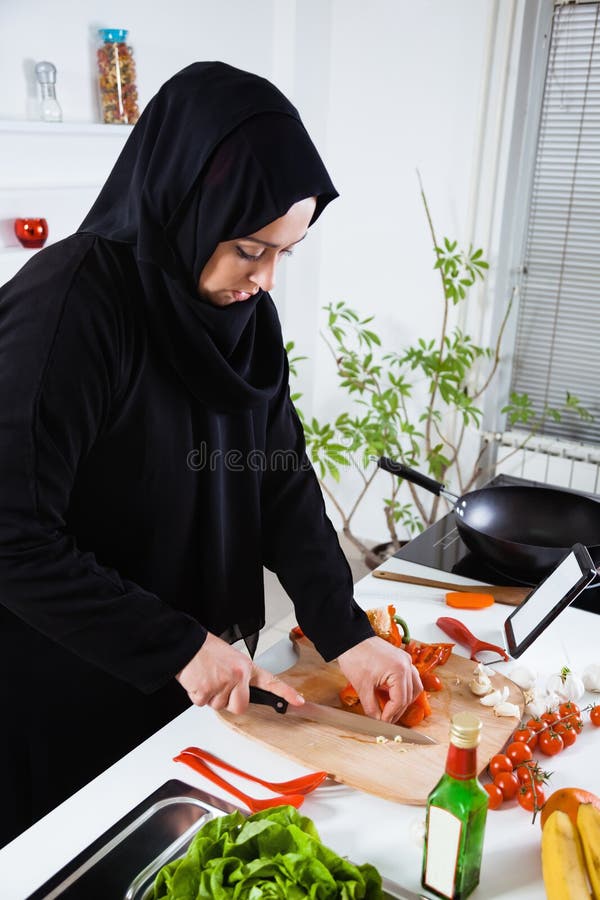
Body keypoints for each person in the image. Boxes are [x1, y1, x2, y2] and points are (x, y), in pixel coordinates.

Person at [0, 61, 422, 848]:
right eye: (248, 249)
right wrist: (176, 646)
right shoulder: (70, 309)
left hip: (190, 678)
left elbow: (281, 486)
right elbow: (11, 536)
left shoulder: (241, 315)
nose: (263, 280)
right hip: (62, 683)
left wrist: (346, 631)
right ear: (185, 204)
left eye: (282, 255)